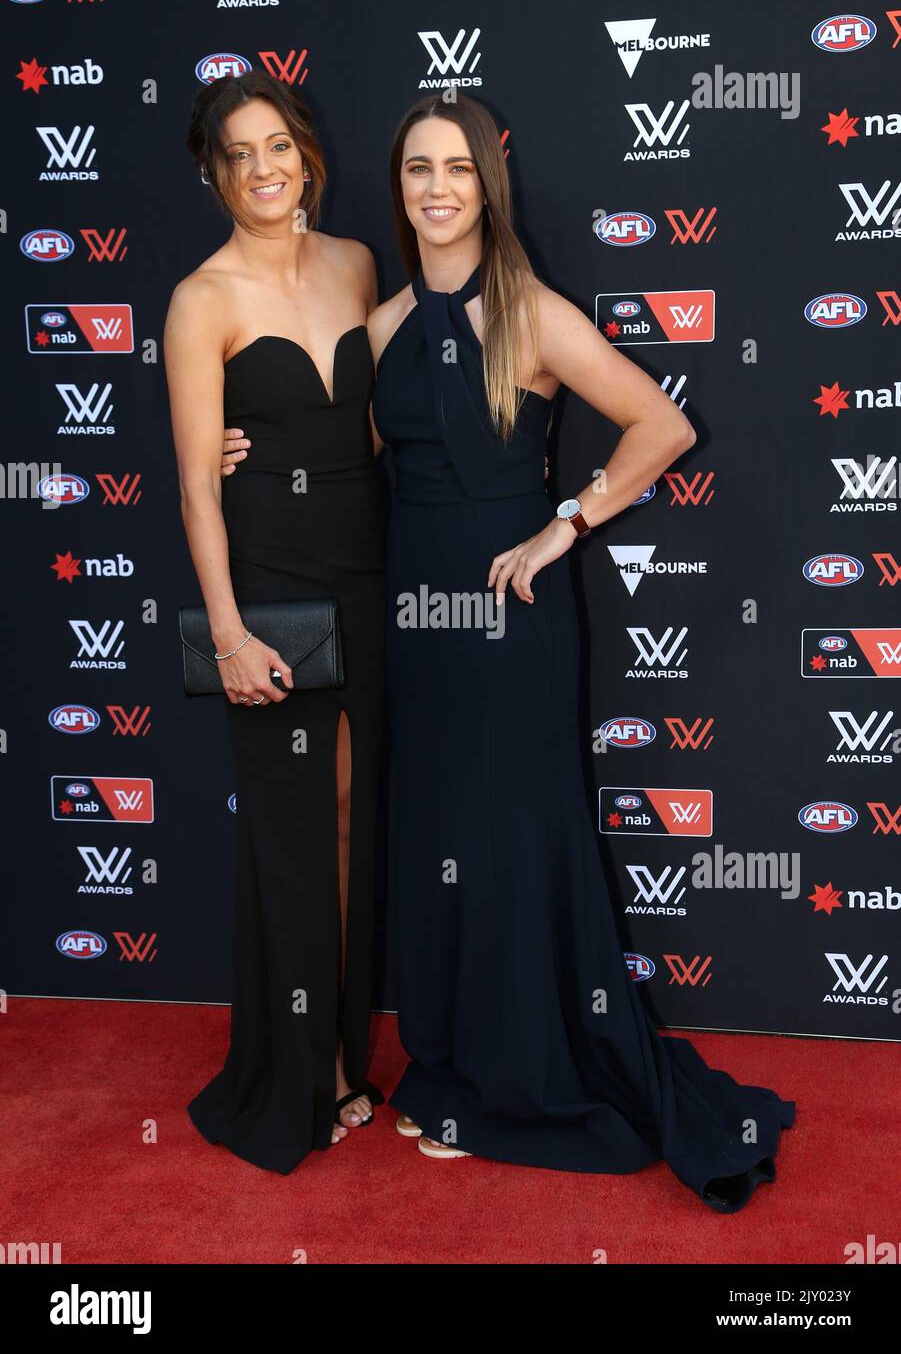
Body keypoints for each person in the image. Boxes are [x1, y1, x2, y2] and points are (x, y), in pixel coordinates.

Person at [222, 92, 796, 1211]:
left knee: (512, 846)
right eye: (416, 170)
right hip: (413, 620)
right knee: (437, 842)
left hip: (510, 621)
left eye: (456, 170)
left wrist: (564, 524)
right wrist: (239, 438)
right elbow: (343, 453)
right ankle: (449, 1070)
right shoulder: (381, 325)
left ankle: (523, 1080)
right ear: (397, 189)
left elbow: (662, 426)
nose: (435, 189)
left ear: (488, 185)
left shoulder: (529, 312)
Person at [165, 71, 387, 1172]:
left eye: (277, 147)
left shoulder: (354, 263)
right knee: (293, 838)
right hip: (270, 588)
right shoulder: (201, 299)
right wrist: (229, 631)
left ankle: (342, 1047)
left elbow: (386, 422)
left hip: (369, 569)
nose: (262, 169)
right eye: (237, 154)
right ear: (215, 175)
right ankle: (301, 1073)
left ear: (306, 153)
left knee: (352, 821)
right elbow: (198, 485)